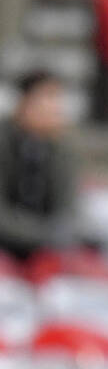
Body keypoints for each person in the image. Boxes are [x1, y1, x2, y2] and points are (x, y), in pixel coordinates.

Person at [0, 71, 77, 261]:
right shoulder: (4, 142)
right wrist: (41, 234)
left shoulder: (62, 150)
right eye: (47, 98)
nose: (55, 108)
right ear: (24, 103)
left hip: (45, 247)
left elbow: (67, 207)